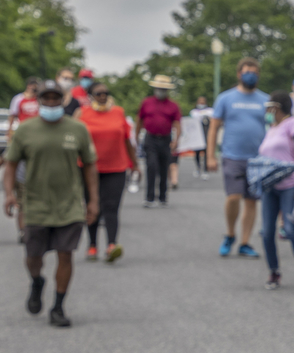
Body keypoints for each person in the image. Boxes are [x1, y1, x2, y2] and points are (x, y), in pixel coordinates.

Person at [3, 79, 99, 327]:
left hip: (69, 205)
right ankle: (36, 281)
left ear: (63, 99)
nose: (51, 102)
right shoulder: (26, 130)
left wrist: (93, 201)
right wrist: (9, 193)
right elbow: (11, 164)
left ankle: (58, 306)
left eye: (56, 97)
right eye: (46, 98)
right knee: (33, 256)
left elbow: (89, 165)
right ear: (39, 100)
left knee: (66, 255)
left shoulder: (77, 129)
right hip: (35, 204)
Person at [206, 58, 269, 258]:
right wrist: (210, 156)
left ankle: (244, 242)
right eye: (247, 71)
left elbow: (274, 127)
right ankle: (230, 233)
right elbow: (214, 128)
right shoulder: (226, 98)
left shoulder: (265, 100)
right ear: (239, 74)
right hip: (233, 156)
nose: (251, 75)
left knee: (251, 201)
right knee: (233, 197)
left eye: (254, 72)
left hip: (257, 159)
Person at [258, 92, 294, 292]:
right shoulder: (272, 128)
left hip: (290, 184)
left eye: (269, 107)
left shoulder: (293, 124)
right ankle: (274, 272)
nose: (266, 111)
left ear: (277, 107)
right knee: (266, 232)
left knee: (290, 229)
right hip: (269, 186)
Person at [79, 83, 138, 262]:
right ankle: (92, 245)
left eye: (106, 93)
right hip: (89, 168)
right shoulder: (83, 114)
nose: (103, 96)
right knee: (92, 205)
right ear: (91, 95)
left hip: (116, 167)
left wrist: (135, 164)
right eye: (98, 93)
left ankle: (112, 244)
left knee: (111, 207)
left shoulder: (118, 112)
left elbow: (127, 140)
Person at [136, 75, 181, 208]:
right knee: (151, 165)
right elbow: (139, 120)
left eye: (163, 89)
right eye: (159, 88)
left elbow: (177, 123)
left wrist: (176, 140)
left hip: (166, 138)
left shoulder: (173, 105)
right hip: (150, 138)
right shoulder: (147, 102)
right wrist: (136, 136)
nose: (160, 91)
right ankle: (149, 197)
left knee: (163, 167)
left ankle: (162, 195)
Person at [9, 77, 40, 239]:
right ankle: (23, 231)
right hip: (22, 141)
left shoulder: (40, 101)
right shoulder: (18, 99)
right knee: (21, 196)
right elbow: (12, 118)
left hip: (39, 143)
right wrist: (10, 138)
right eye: (33, 88)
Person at [190, 96, 212, 179]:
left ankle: (205, 170)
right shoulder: (194, 112)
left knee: (206, 152)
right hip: (197, 134)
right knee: (197, 153)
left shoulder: (210, 111)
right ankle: (198, 167)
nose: (201, 103)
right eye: (200, 102)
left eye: (203, 102)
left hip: (206, 133)